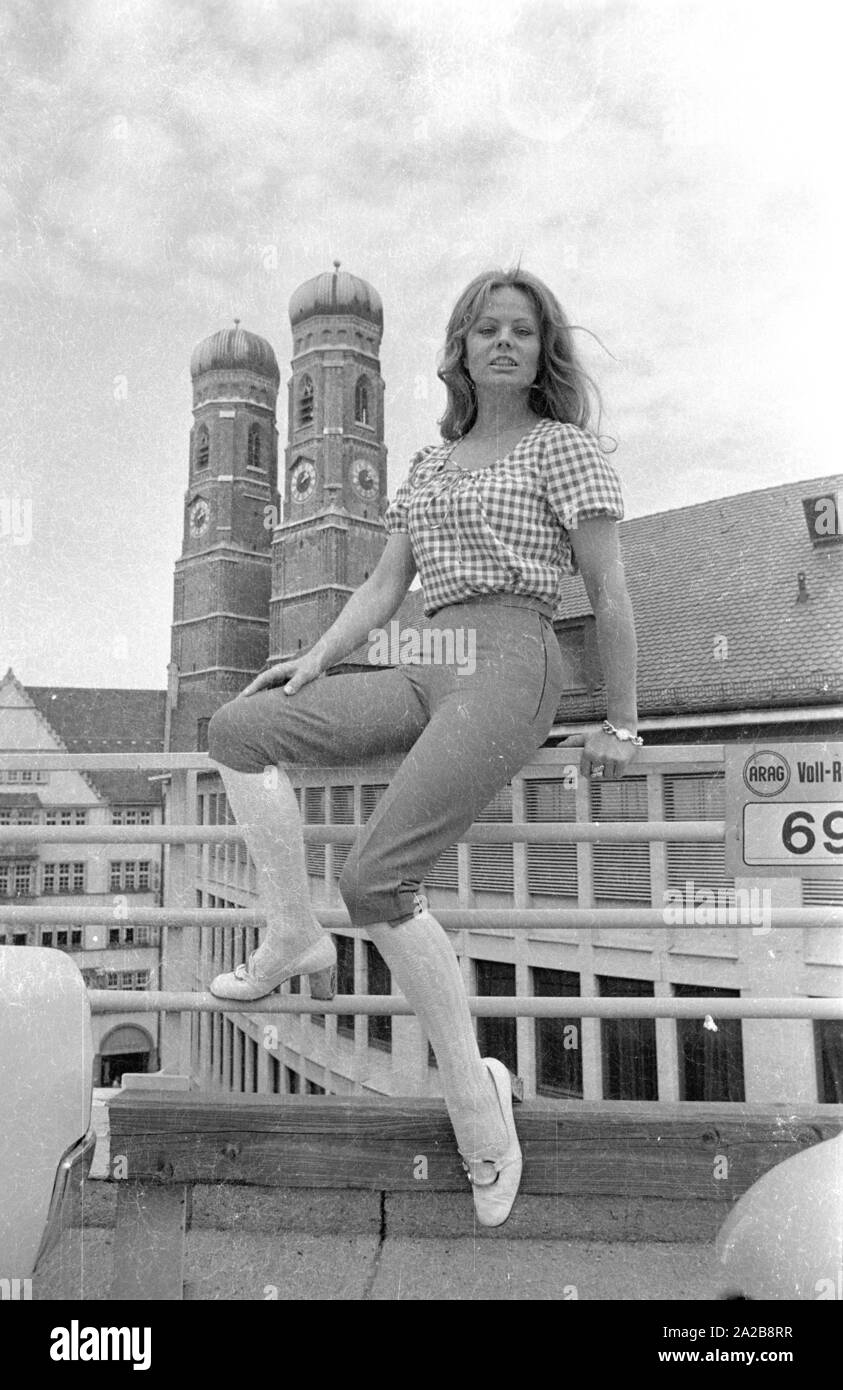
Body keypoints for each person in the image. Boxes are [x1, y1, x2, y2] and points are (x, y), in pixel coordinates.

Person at [205, 267, 641, 1227]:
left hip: (514, 659)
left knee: (375, 879)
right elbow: (382, 586)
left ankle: (477, 1108)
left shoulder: (566, 451)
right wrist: (314, 659)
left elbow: (609, 594)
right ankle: (292, 933)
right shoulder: (429, 467)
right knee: (237, 728)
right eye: (484, 329)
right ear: (458, 348)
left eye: (519, 331)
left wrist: (619, 722)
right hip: (423, 652)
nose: (501, 344)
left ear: (541, 350)